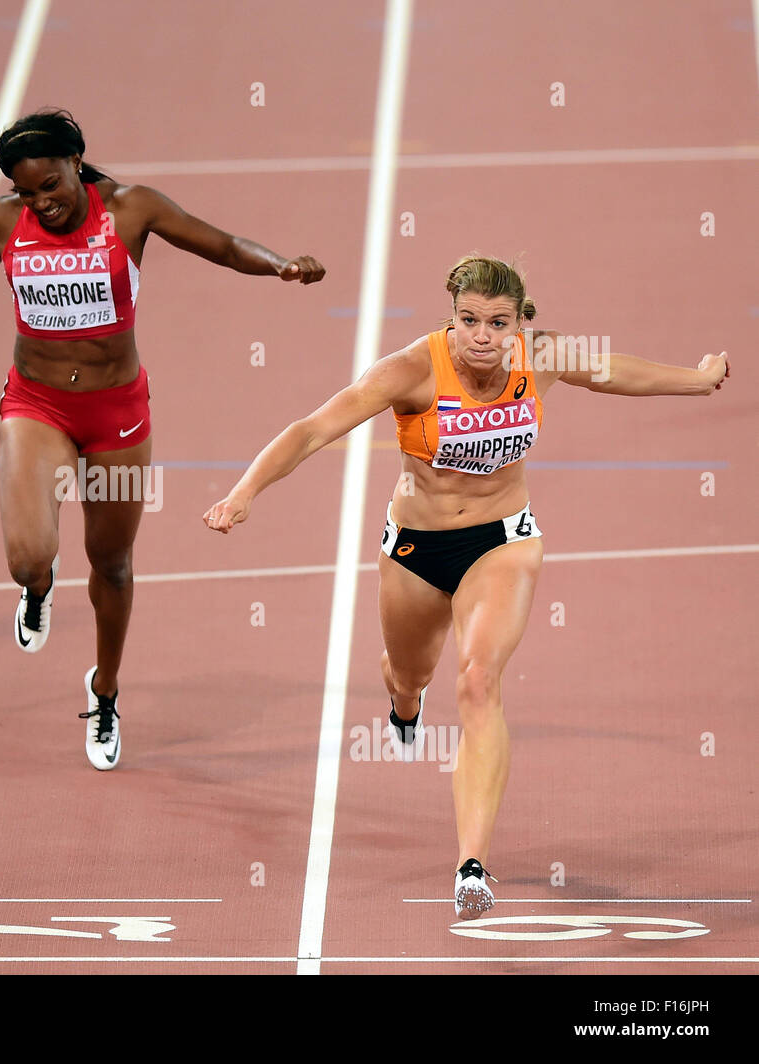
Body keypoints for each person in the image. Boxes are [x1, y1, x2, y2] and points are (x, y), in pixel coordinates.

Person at [202, 255, 729, 916]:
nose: (483, 336)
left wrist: (699, 379)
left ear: (521, 321)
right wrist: (243, 493)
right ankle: (402, 702)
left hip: (502, 539)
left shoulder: (542, 357)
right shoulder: (412, 371)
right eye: (469, 321)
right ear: (451, 318)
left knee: (478, 681)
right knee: (408, 672)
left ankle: (471, 867)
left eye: (498, 322)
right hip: (418, 550)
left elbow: (615, 371)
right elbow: (312, 428)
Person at [0, 109, 324, 770]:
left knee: (111, 564)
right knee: (29, 558)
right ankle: (38, 586)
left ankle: (105, 690)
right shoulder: (2, 223)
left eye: (51, 185)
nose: (42, 203)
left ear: (76, 164)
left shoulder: (131, 210)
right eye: (28, 193)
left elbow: (222, 244)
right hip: (38, 403)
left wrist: (281, 265)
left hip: (117, 415)